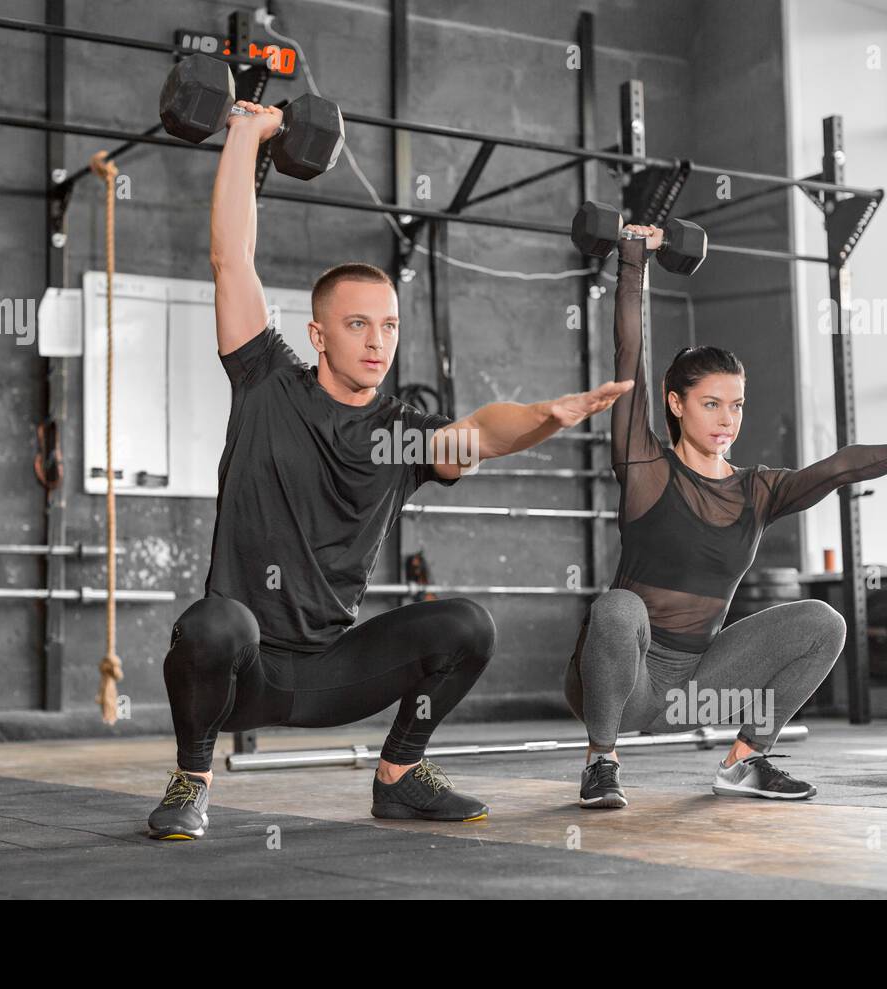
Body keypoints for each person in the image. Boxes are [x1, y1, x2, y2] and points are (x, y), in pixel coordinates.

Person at [148, 101, 634, 839]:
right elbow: (230, 258)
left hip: (330, 673)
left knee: (468, 626)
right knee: (212, 623)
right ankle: (193, 776)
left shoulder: (401, 436)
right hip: (239, 671)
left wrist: (545, 415)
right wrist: (246, 130)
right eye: (357, 323)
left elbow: (479, 433)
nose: (377, 341)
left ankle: (400, 775)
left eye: (389, 324)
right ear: (317, 333)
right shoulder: (264, 380)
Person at [564, 226, 887, 807]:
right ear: (675, 403)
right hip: (621, 686)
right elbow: (626, 354)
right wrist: (633, 264)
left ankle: (744, 760)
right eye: (710, 403)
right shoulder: (644, 466)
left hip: (695, 692)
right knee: (616, 606)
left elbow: (835, 468)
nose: (726, 418)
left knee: (823, 621)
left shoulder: (757, 491)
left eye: (735, 404)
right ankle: (600, 762)